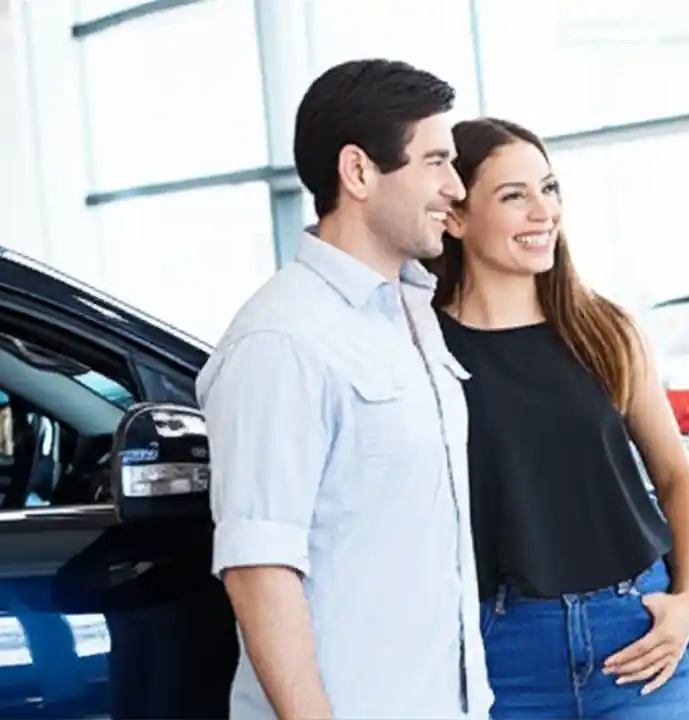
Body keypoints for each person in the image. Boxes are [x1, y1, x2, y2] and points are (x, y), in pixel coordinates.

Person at [196, 59, 492, 720]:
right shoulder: (282, 340)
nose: (455, 186)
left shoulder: (411, 314)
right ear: (358, 171)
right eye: (436, 162)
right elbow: (258, 566)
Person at [423, 117, 689, 720]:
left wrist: (685, 601)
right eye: (514, 195)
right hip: (499, 645)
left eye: (549, 189)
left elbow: (678, 477)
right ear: (454, 216)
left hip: (634, 631)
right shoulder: (422, 349)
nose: (543, 211)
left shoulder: (604, 331)